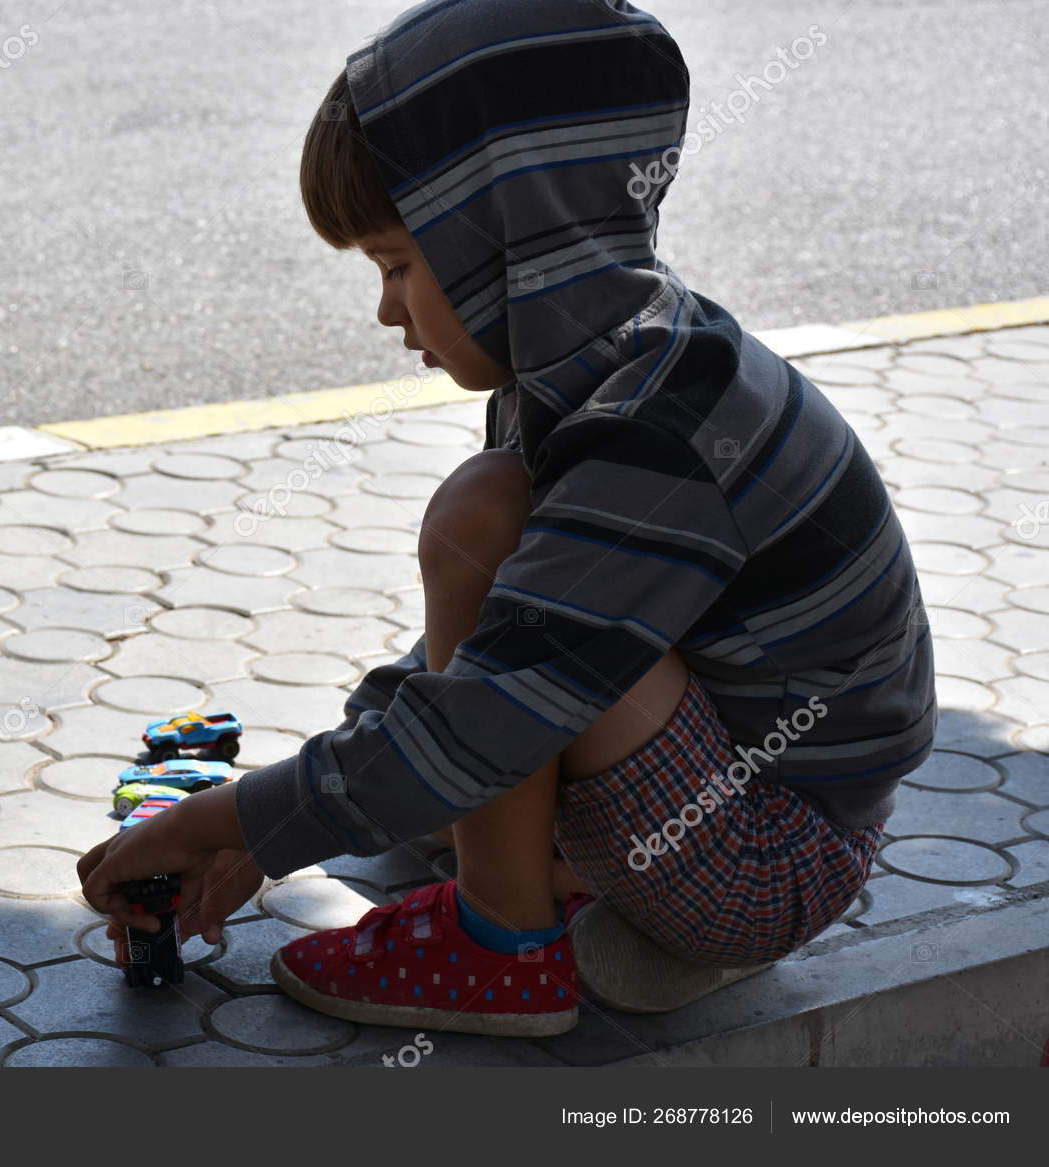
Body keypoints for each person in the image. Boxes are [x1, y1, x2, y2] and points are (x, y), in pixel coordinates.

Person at [78, 0, 935, 1037]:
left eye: (398, 264)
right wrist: (261, 834)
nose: (387, 311)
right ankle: (559, 883)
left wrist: (218, 819)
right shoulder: (619, 364)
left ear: (508, 239)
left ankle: (501, 945)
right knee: (470, 642)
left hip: (766, 861)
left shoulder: (656, 432)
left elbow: (491, 705)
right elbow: (493, 652)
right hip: (732, 807)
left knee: (479, 526)